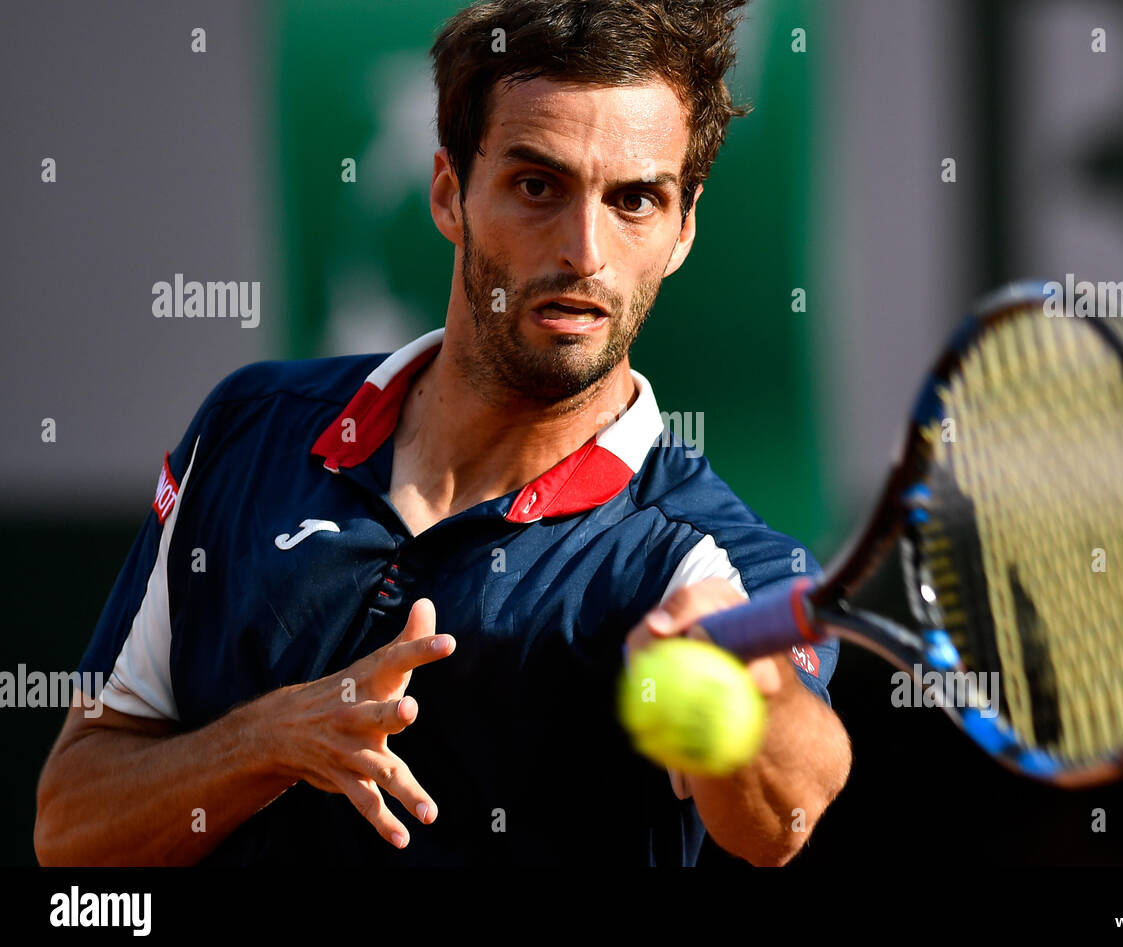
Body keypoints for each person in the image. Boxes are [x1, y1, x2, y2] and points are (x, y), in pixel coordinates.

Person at [34, 0, 851, 867]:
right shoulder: (245, 430)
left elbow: (785, 817)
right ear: (448, 193)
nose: (584, 251)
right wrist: (268, 740)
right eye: (538, 186)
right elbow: (71, 829)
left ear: (683, 229)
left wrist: (749, 687)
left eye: (635, 201)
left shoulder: (713, 563)